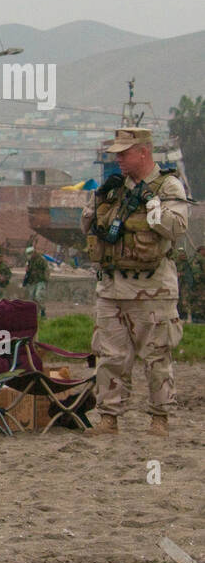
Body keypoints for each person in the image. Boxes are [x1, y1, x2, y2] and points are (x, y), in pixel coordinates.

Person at [81, 129, 189, 436]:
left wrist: (153, 208)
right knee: (110, 356)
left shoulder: (168, 186)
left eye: (124, 153)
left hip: (152, 289)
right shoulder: (113, 187)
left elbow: (177, 228)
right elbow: (89, 225)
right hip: (112, 287)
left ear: (143, 152)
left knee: (157, 356)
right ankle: (108, 417)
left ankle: (159, 418)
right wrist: (97, 202)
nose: (118, 158)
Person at [23, 243, 49, 315]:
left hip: (40, 280)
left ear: (34, 252)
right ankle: (35, 313)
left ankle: (43, 311)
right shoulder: (29, 261)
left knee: (38, 296)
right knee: (32, 298)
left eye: (30, 253)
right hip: (32, 281)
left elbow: (46, 270)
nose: (29, 255)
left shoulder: (41, 260)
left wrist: (45, 279)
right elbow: (28, 271)